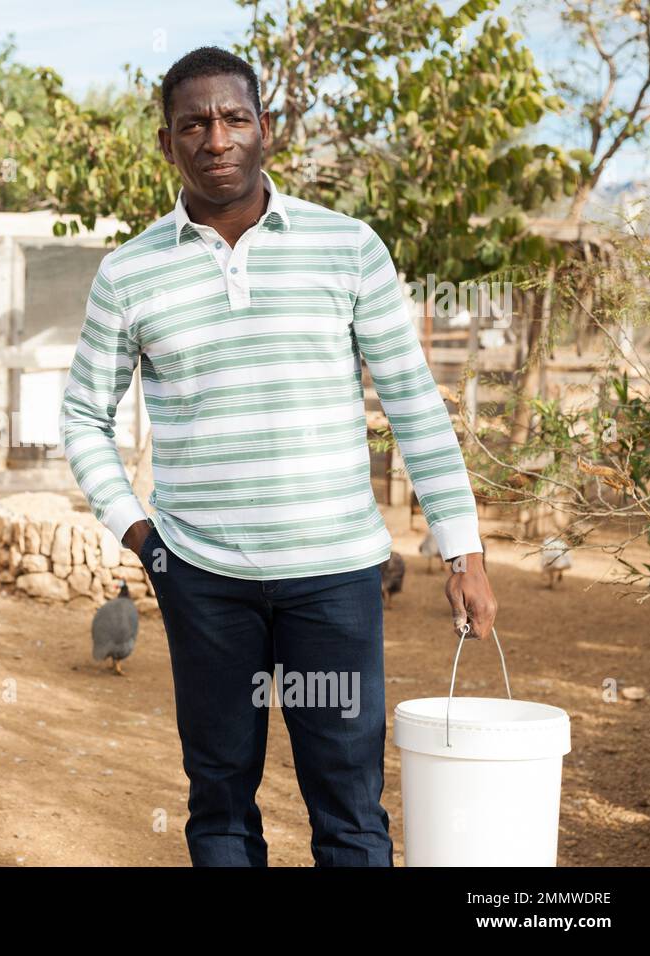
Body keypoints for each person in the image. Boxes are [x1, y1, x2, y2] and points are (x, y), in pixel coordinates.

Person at [58, 46, 498, 867]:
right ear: (168, 144)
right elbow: (84, 415)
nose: (215, 138)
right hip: (203, 582)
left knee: (349, 802)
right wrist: (143, 538)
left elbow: (412, 403)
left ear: (266, 129)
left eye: (232, 118)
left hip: (334, 580)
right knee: (220, 800)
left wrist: (463, 547)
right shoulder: (129, 273)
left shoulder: (348, 248)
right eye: (193, 124)